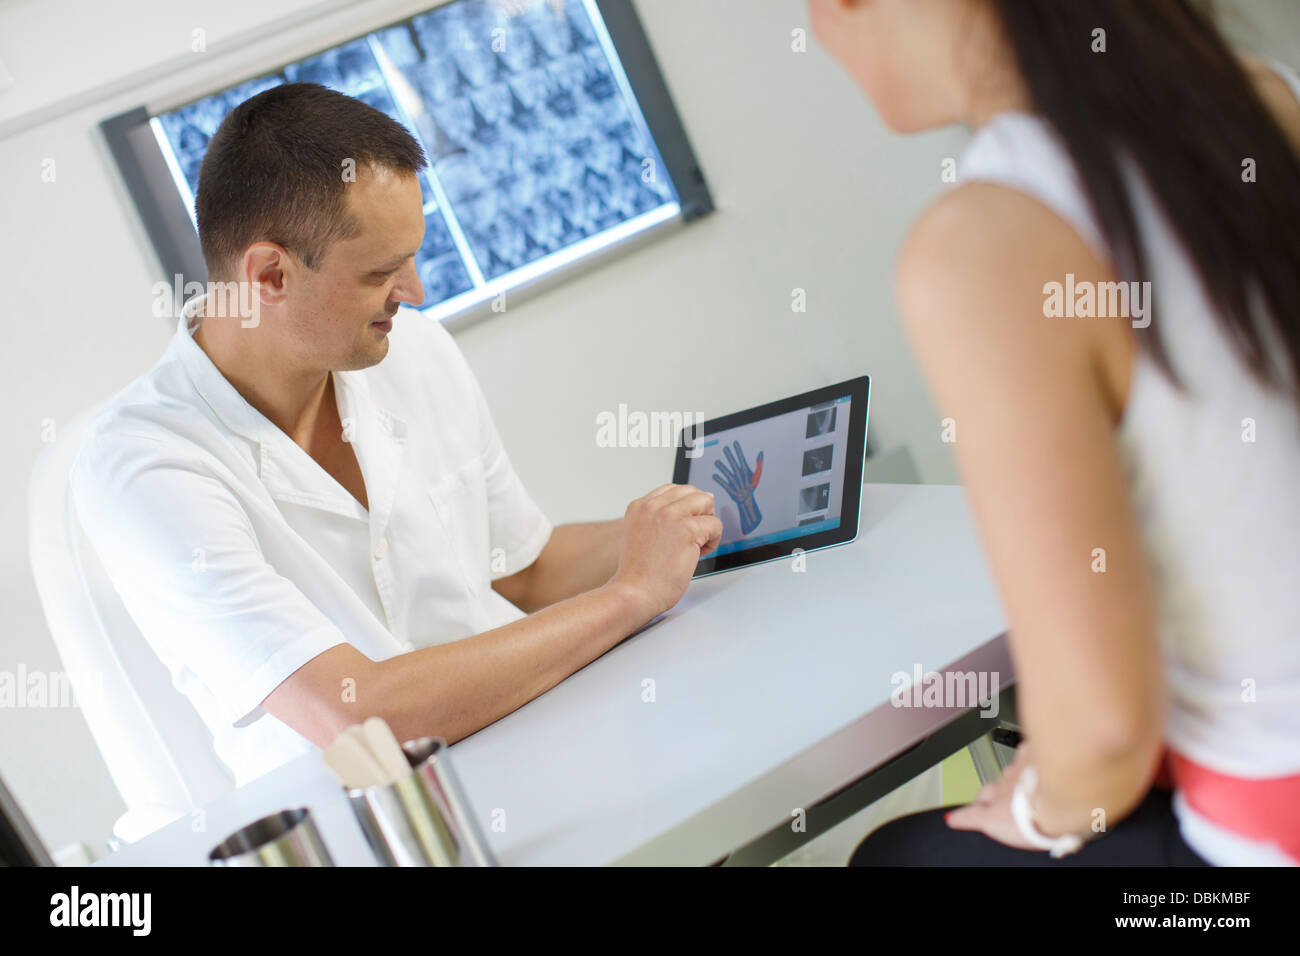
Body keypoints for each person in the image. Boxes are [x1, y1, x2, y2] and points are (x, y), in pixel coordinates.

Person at [71, 82, 721, 786]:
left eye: (411, 257)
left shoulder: (415, 351)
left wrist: (674, 525)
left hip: (545, 745)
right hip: (380, 827)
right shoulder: (145, 465)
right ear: (269, 273)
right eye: (381, 271)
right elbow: (360, 719)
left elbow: (525, 572)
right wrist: (629, 596)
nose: (413, 289)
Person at [807, 0, 1300, 865]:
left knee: (902, 859)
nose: (817, 25)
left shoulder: (985, 242)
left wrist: (1040, 804)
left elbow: (1105, 734)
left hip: (1264, 833)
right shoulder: (1265, 98)